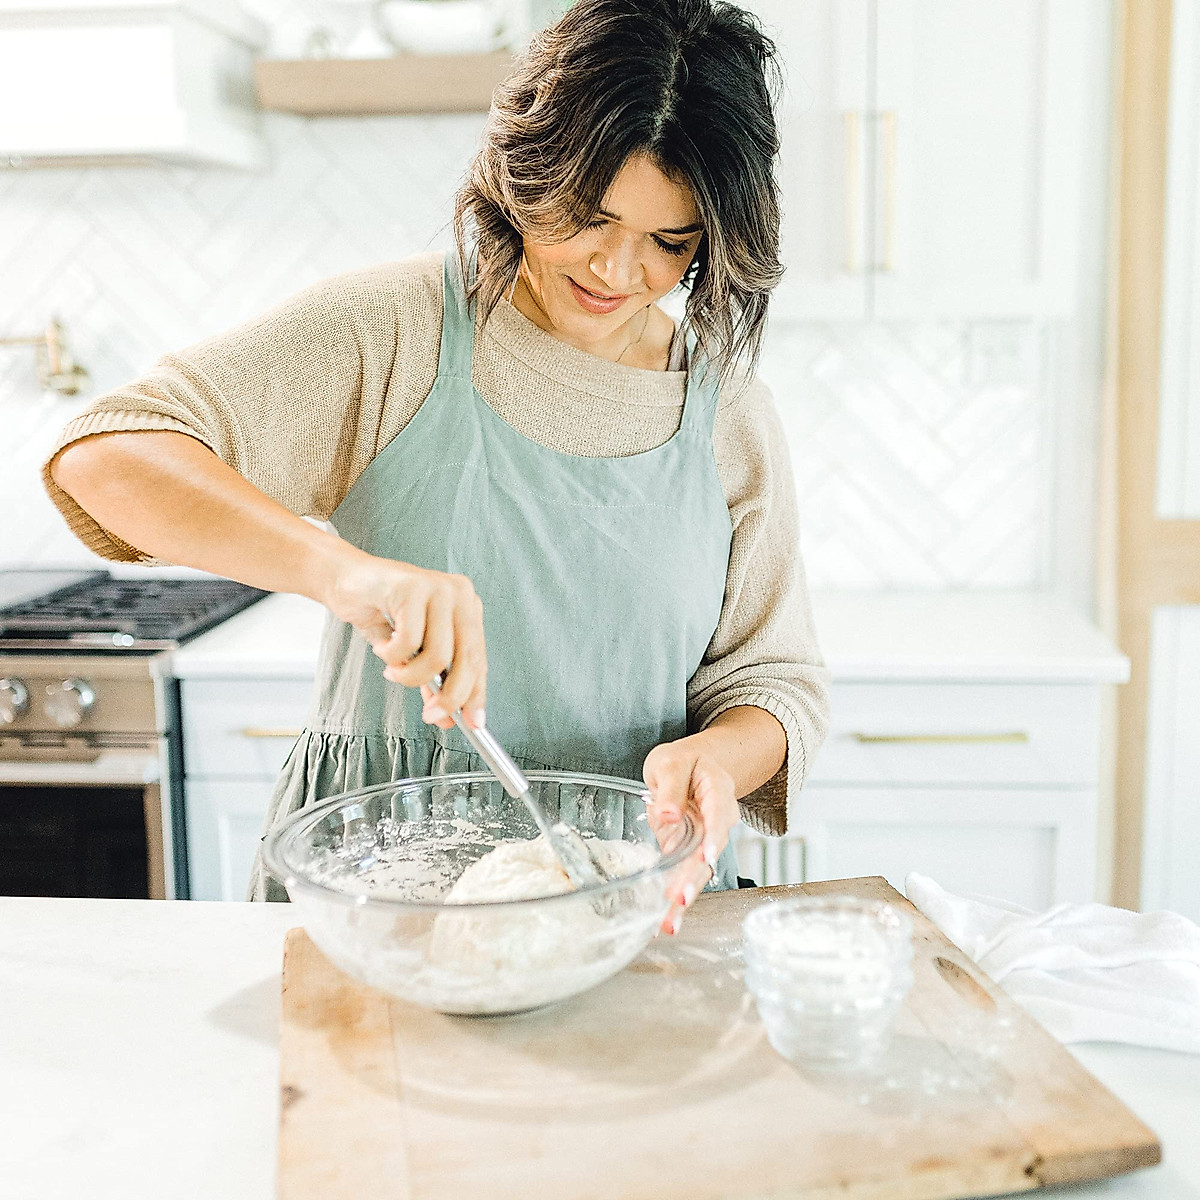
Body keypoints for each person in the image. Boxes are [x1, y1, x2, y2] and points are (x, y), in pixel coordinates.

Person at [45, 0, 829, 932]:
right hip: (379, 890)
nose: (618, 271)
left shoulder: (729, 412)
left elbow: (772, 680)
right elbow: (105, 454)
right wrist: (342, 572)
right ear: (527, 171)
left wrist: (719, 759)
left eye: (671, 243)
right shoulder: (399, 330)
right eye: (589, 217)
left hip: (632, 902)